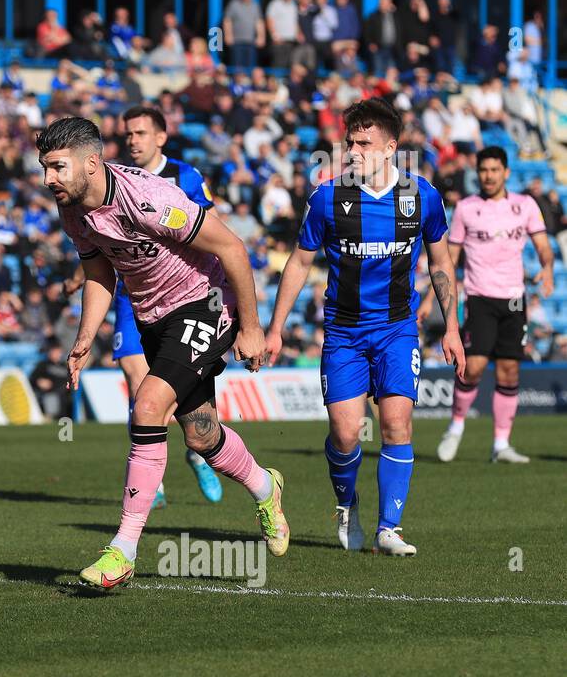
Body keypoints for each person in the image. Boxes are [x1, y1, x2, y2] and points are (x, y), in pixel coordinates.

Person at [40, 117, 287, 591]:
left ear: (91, 162)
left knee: (148, 405)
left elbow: (233, 248)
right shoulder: (71, 210)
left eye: (57, 167)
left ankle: (123, 550)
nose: (49, 179)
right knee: (200, 435)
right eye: (45, 168)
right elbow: (98, 272)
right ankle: (264, 486)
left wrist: (251, 328)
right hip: (153, 318)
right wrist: (85, 335)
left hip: (206, 302)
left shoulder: (150, 198)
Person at [264, 98, 464, 557]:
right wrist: (275, 329)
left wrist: (451, 326)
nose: (353, 150)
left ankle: (388, 528)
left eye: (364, 143)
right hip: (343, 333)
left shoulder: (422, 196)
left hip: (397, 328)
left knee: (396, 422)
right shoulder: (328, 197)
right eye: (349, 142)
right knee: (346, 433)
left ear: (391, 147)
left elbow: (441, 262)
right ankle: (345, 505)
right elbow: (298, 262)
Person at [103, 104, 225, 505]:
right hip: (131, 297)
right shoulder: (114, 179)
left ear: (160, 137)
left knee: (183, 389)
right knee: (139, 387)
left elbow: (213, 232)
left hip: (184, 296)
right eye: (128, 134)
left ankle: (199, 452)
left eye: (140, 133)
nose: (132, 141)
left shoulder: (185, 177)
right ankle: (151, 481)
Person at [437, 147, 555, 465]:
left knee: (509, 370)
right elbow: (451, 258)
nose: (488, 176)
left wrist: (546, 267)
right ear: (478, 173)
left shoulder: (525, 205)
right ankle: (456, 426)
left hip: (514, 300)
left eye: (494, 170)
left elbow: (543, 246)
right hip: (479, 298)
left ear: (506, 172)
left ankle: (501, 444)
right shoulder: (465, 208)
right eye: (483, 170)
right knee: (473, 366)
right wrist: (432, 295)